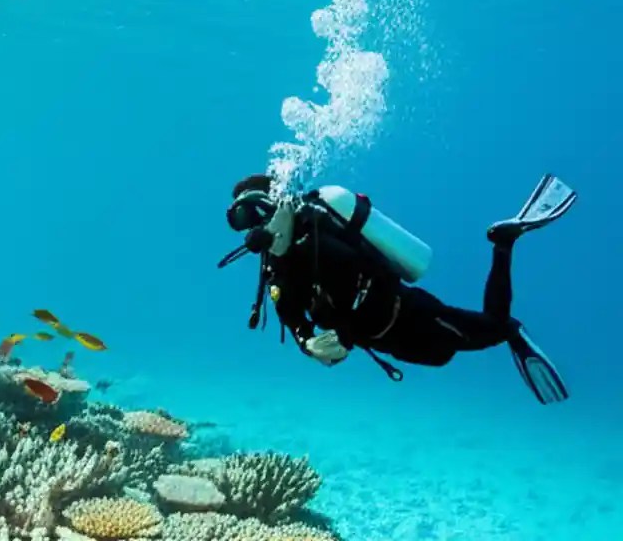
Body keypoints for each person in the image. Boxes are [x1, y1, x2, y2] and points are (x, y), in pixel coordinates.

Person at [217, 172, 577, 404]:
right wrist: (307, 343)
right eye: (241, 219)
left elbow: (375, 272)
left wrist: (343, 331)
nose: (250, 227)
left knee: (493, 328)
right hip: (386, 339)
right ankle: (505, 309)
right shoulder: (276, 268)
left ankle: (503, 246)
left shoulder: (317, 235)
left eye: (253, 213)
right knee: (441, 357)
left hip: (410, 315)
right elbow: (292, 315)